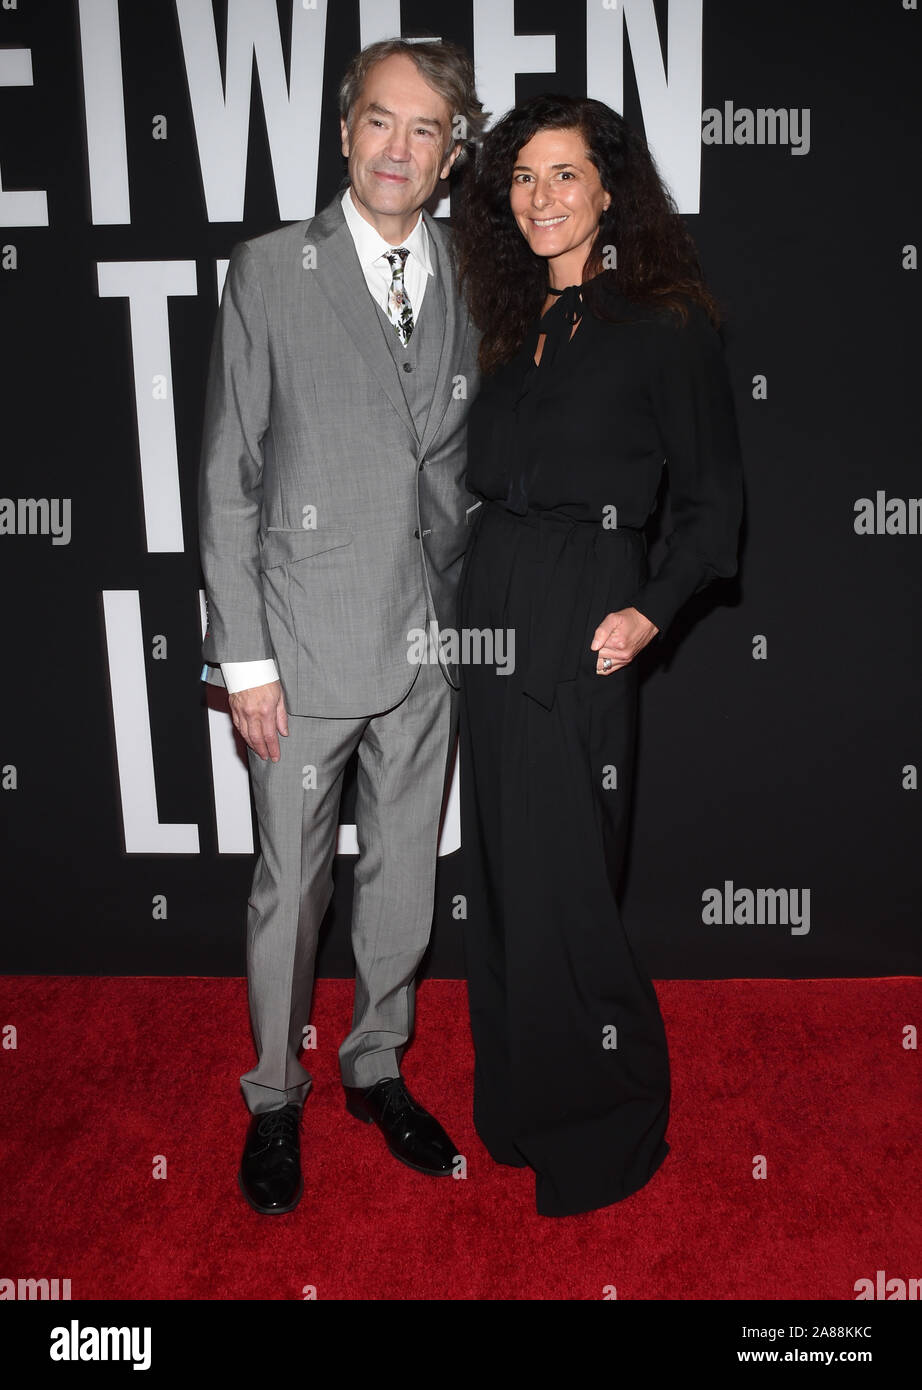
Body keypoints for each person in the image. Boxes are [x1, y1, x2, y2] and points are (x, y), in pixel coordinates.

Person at [198, 39, 485, 1215]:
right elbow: (226, 472)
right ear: (344, 130)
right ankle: (275, 1095)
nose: (397, 149)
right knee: (292, 890)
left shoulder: (471, 266)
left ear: (451, 155)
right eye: (380, 121)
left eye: (424, 131)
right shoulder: (271, 268)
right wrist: (246, 655)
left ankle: (375, 1063)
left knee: (403, 877)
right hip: (303, 645)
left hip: (427, 639)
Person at [453, 94, 744, 1217]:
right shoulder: (511, 319)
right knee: (502, 878)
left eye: (564, 175)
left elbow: (713, 505)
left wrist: (649, 610)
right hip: (492, 604)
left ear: (611, 189)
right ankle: (521, 1107)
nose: (541, 198)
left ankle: (604, 1123)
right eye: (521, 178)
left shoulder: (663, 321)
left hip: (584, 609)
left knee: (567, 877)